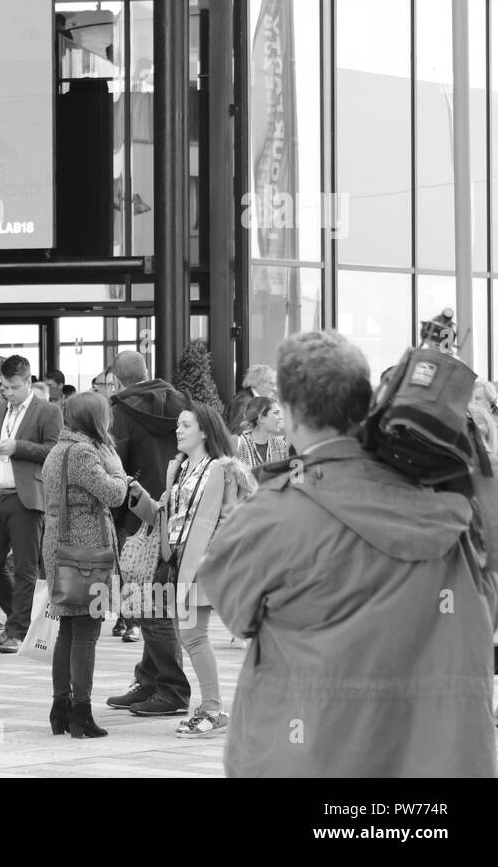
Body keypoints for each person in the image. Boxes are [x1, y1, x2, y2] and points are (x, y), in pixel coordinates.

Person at [199, 331, 496, 776]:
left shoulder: (275, 513)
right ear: (363, 406)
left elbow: (231, 603)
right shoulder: (446, 506)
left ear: (293, 412)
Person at [127, 401, 256, 736]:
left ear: (204, 430)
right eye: (179, 425)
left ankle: (213, 709)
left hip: (201, 563)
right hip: (178, 562)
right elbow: (166, 516)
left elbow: (233, 518)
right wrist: (139, 496)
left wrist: (212, 555)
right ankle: (212, 708)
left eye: (185, 425)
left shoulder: (220, 469)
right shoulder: (181, 468)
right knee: (193, 636)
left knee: (194, 636)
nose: (178, 430)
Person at [105, 350, 192, 712]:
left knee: (151, 605)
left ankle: (172, 691)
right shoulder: (182, 401)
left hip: (140, 510)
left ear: (118, 380)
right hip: (178, 506)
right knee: (154, 601)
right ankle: (148, 679)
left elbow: (116, 464)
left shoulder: (121, 410)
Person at [43, 391, 129, 737]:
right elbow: (114, 494)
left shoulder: (59, 449)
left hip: (63, 550)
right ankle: (81, 711)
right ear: (95, 419)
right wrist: (120, 472)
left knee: (68, 629)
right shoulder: (82, 452)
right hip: (84, 553)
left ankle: (60, 709)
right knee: (87, 632)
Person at [0, 355, 64, 654]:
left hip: (26, 497)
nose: (9, 393)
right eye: (4, 387)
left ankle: (17, 629)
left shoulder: (48, 411)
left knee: (26, 566)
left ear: (28, 382)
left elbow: (54, 450)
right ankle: (19, 620)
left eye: (14, 387)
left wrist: (19, 448)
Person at [234, 396, 289, 470]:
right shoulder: (238, 444)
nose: (280, 417)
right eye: (276, 413)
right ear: (261, 418)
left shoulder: (281, 446)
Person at [224, 364, 276, 441]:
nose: (275, 388)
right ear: (259, 383)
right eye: (271, 383)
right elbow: (235, 433)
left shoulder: (256, 399)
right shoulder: (244, 402)